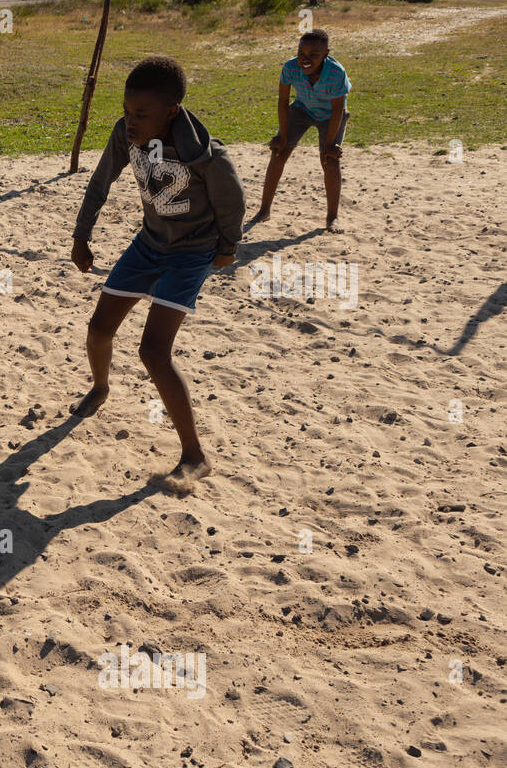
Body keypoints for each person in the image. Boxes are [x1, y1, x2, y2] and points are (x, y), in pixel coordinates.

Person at [69, 56, 245, 493]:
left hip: (191, 253)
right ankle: (101, 387)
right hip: (148, 244)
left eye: (142, 114)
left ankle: (195, 455)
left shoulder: (206, 153)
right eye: (127, 110)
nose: (131, 121)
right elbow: (100, 181)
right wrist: (81, 233)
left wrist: (226, 247)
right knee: (99, 328)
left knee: (153, 351)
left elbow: (232, 201)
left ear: (171, 112)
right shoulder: (124, 135)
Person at [251, 29, 350, 231]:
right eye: (301, 53)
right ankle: (264, 210)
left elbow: (338, 109)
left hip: (331, 115)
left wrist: (331, 145)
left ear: (326, 54)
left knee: (329, 161)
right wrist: (283, 136)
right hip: (302, 109)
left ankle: (332, 218)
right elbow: (282, 101)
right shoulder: (290, 68)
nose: (305, 59)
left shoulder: (336, 72)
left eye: (313, 55)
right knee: (278, 153)